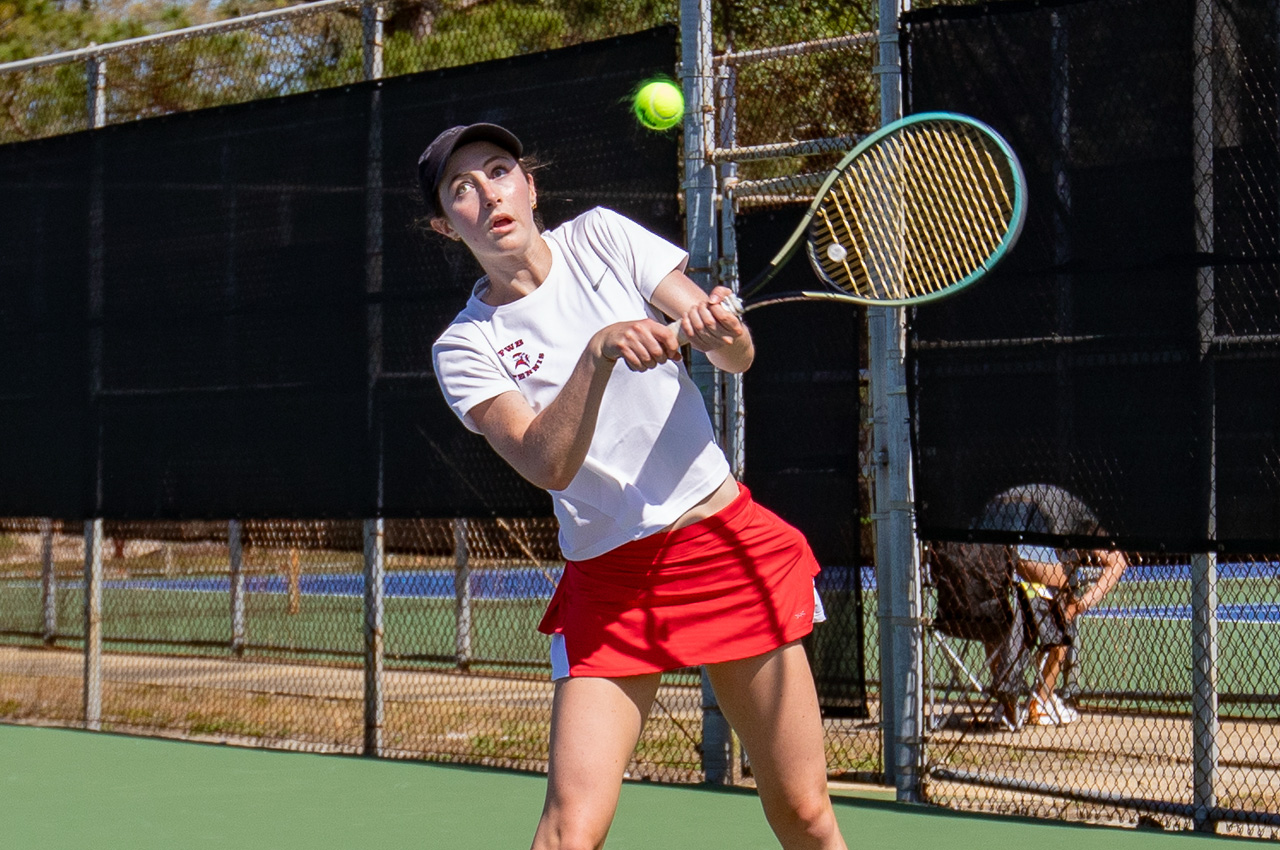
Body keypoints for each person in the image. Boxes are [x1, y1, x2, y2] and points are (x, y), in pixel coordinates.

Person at [421, 123, 848, 850]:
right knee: (568, 832)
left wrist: (717, 329)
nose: (488, 193)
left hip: (725, 550)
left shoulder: (602, 239)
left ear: (530, 186)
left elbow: (736, 354)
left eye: (499, 171)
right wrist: (600, 352)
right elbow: (544, 462)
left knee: (804, 814)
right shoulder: (465, 346)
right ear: (444, 224)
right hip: (611, 583)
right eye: (462, 188)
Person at [975, 484, 1129, 728]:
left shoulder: (1008, 499)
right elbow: (1116, 562)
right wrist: (1078, 602)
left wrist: (1078, 601)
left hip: (1003, 594)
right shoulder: (1071, 504)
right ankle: (1038, 700)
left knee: (1007, 609)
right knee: (1059, 609)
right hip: (1030, 597)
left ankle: (1010, 703)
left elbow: (1115, 560)